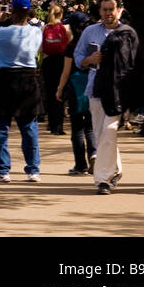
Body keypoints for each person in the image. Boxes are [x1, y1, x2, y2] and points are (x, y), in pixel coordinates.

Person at [75, 0, 137, 194]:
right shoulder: (90, 32)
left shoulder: (128, 33)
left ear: (119, 9)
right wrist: (88, 60)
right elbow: (78, 56)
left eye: (112, 9)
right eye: (105, 9)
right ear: (99, 11)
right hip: (95, 88)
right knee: (102, 134)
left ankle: (103, 179)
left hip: (118, 91)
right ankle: (116, 169)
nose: (109, 13)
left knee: (109, 130)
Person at [0, 0, 43, 183]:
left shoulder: (3, 32)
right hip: (29, 79)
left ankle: (1, 170)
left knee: (1, 127)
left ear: (12, 11)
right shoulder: (37, 32)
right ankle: (33, 170)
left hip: (6, 78)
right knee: (29, 126)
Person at [56, 9, 96, 176]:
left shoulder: (71, 46)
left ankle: (80, 165)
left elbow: (66, 72)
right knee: (91, 127)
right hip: (92, 87)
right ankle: (94, 154)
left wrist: (59, 90)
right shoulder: (93, 45)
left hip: (75, 90)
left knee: (77, 128)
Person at [39, 4, 73, 135]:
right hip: (61, 62)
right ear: (61, 14)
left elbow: (41, 49)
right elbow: (69, 45)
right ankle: (58, 126)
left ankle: (51, 123)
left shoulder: (44, 28)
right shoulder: (66, 28)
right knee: (60, 92)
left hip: (47, 62)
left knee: (49, 92)